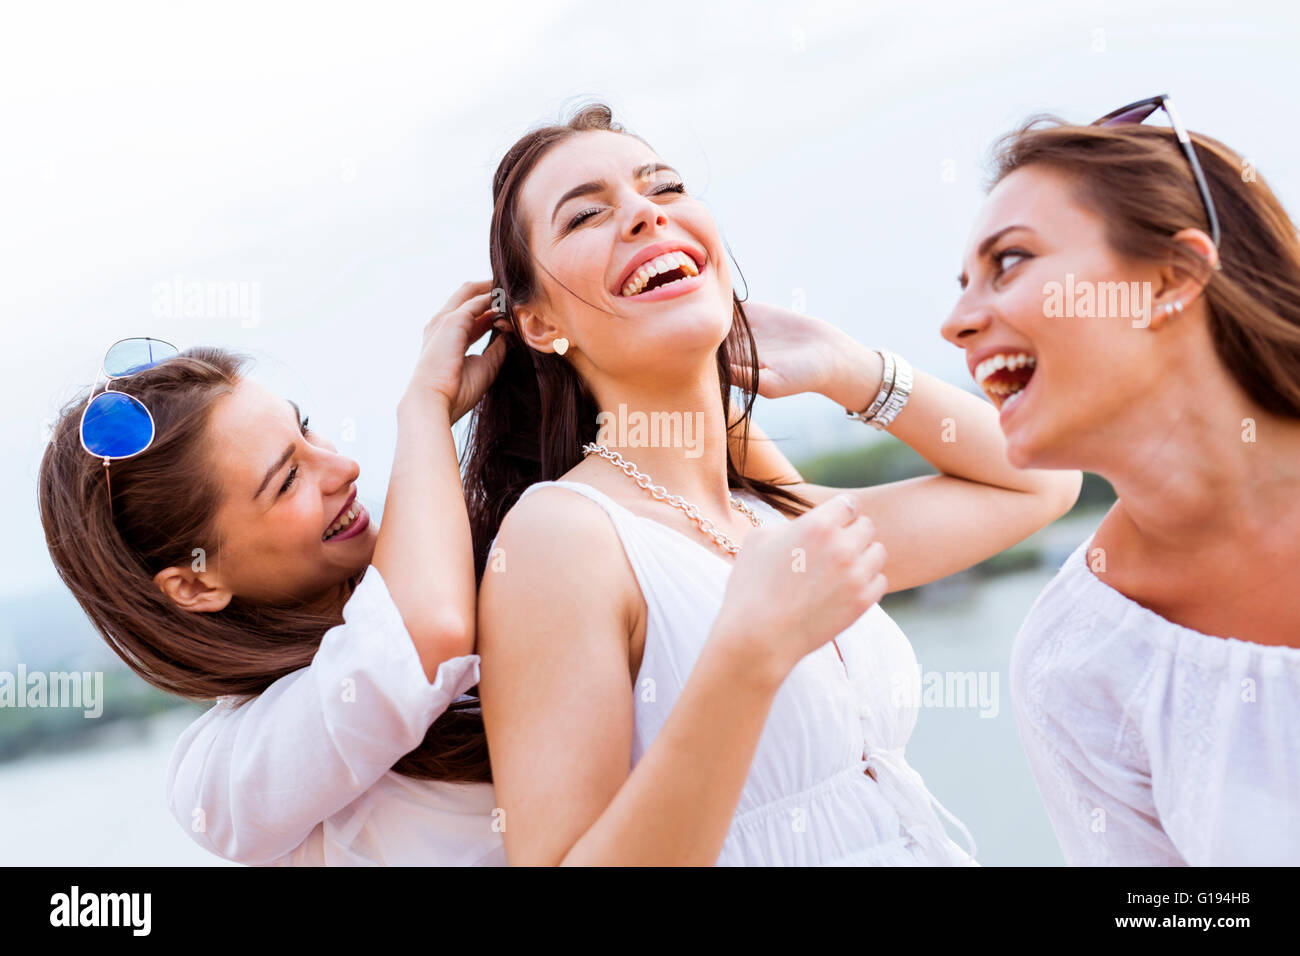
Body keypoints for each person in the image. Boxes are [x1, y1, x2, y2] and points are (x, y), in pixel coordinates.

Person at [469, 103, 1082, 866]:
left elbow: (1043, 479)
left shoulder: (772, 518)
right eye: (587, 214)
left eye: (664, 188)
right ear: (539, 324)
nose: (643, 215)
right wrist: (747, 655)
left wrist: (850, 369)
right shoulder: (563, 538)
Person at [942, 98, 1300, 864]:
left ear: (1173, 276)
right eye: (964, 281)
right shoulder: (1074, 663)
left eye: (1009, 262)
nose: (957, 321)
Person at [39, 284, 510, 865]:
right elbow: (422, 637)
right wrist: (425, 408)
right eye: (287, 480)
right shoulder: (221, 776)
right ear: (195, 582)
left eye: (305, 429)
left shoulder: (491, 572)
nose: (344, 467)